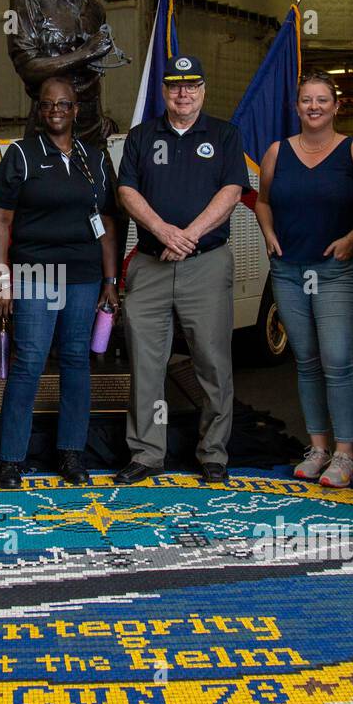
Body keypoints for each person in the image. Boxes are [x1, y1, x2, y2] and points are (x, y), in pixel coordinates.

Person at [114, 55, 249, 484]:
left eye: (192, 85)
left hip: (205, 264)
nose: (183, 93)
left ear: (203, 90)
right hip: (151, 264)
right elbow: (126, 191)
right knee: (146, 364)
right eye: (175, 86)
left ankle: (213, 454)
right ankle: (147, 454)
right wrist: (163, 231)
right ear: (164, 91)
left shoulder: (225, 135)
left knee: (211, 361)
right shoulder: (141, 136)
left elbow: (232, 191)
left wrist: (187, 235)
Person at [0, 77, 120, 488]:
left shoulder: (95, 158)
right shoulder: (22, 155)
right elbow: (0, 217)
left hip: (84, 274)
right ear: (39, 110)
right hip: (35, 273)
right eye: (48, 104)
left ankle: (71, 454)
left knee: (77, 362)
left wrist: (110, 279)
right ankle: (11, 459)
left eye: (64, 104)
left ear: (76, 109)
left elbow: (109, 222)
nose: (56, 110)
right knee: (29, 362)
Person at [255, 71, 353, 488]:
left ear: (336, 106)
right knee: (306, 362)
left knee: (337, 362)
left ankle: (345, 453)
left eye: (322, 100)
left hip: (336, 271)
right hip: (288, 271)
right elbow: (262, 202)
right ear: (296, 107)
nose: (314, 107)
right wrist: (268, 234)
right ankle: (318, 447)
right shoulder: (276, 153)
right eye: (306, 100)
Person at [7, 0, 118, 148]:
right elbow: (27, 67)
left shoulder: (95, 9)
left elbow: (94, 74)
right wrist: (85, 52)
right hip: (48, 127)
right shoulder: (27, 1)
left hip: (91, 128)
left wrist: (99, 116)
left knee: (106, 184)